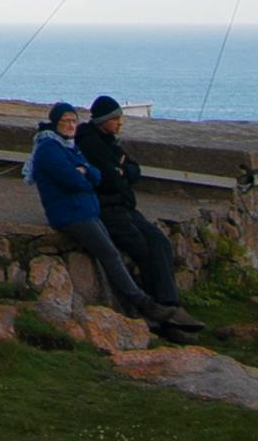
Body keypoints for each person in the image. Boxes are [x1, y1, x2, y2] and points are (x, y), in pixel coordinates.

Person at [24, 102, 197, 332]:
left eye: (73, 120)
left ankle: (148, 308)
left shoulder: (69, 146)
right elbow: (80, 180)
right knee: (111, 254)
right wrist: (87, 174)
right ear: (55, 123)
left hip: (87, 209)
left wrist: (89, 173)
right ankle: (144, 305)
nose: (70, 125)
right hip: (71, 213)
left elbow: (95, 174)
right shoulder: (49, 148)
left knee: (129, 250)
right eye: (65, 121)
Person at [78, 97, 194, 318]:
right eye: (115, 119)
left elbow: (134, 170)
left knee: (160, 242)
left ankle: (170, 302)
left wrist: (122, 171)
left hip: (126, 206)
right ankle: (154, 306)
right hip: (108, 208)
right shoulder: (90, 143)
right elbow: (109, 179)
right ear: (103, 120)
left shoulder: (111, 141)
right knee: (143, 248)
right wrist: (120, 172)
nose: (120, 123)